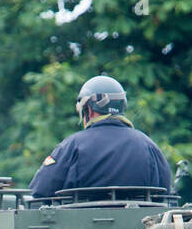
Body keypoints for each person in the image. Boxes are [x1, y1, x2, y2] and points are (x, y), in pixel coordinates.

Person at [29, 75, 173, 199]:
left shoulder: (72, 146)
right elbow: (166, 196)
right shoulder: (149, 146)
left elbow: (39, 192)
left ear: (89, 109)